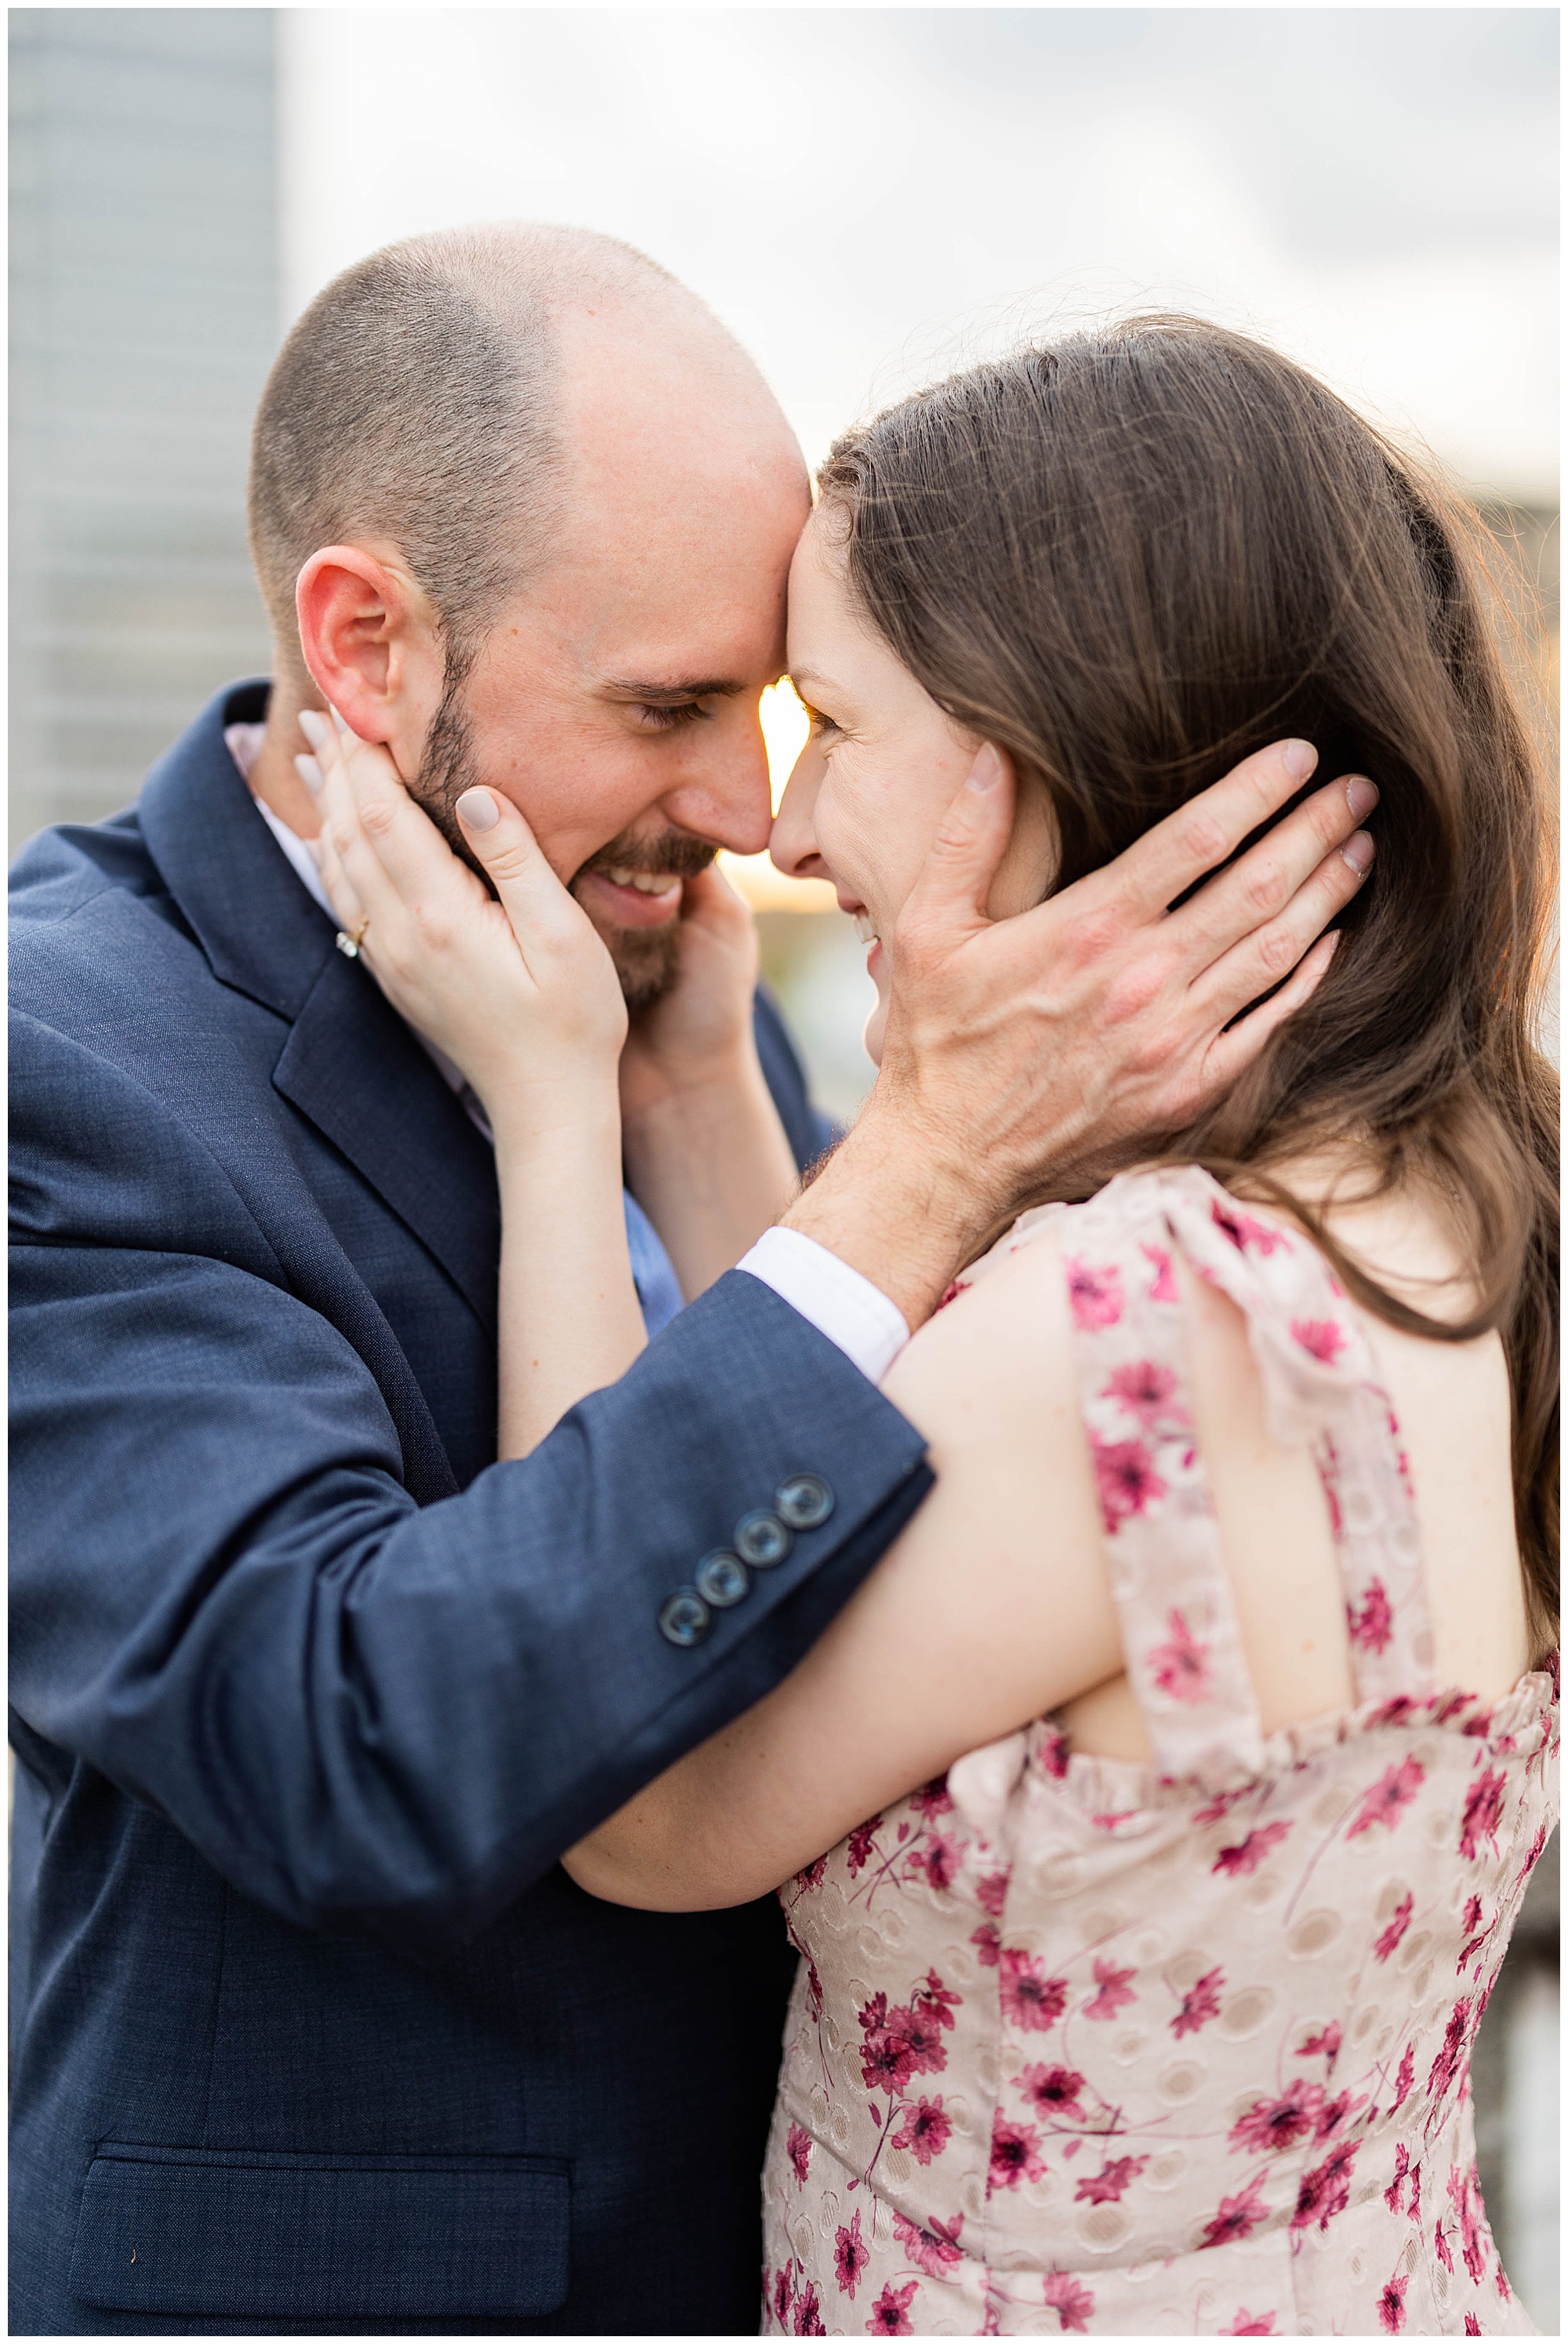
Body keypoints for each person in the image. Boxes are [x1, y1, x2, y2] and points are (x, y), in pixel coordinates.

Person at [6, 232, 1360, 2339]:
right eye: (670, 705)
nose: (745, 813)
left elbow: (852, 1552)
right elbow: (341, 1734)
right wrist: (922, 1169)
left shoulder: (675, 976)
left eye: (782, 705)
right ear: (363, 641)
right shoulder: (64, 1059)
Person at [307, 317, 1557, 2335]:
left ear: (1054, 744)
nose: (782, 832)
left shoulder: (1132, 1324)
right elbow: (846, 1485)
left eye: (836, 723)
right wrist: (709, 1098)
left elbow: (629, 1782)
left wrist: (555, 1113)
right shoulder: (1440, 1210)